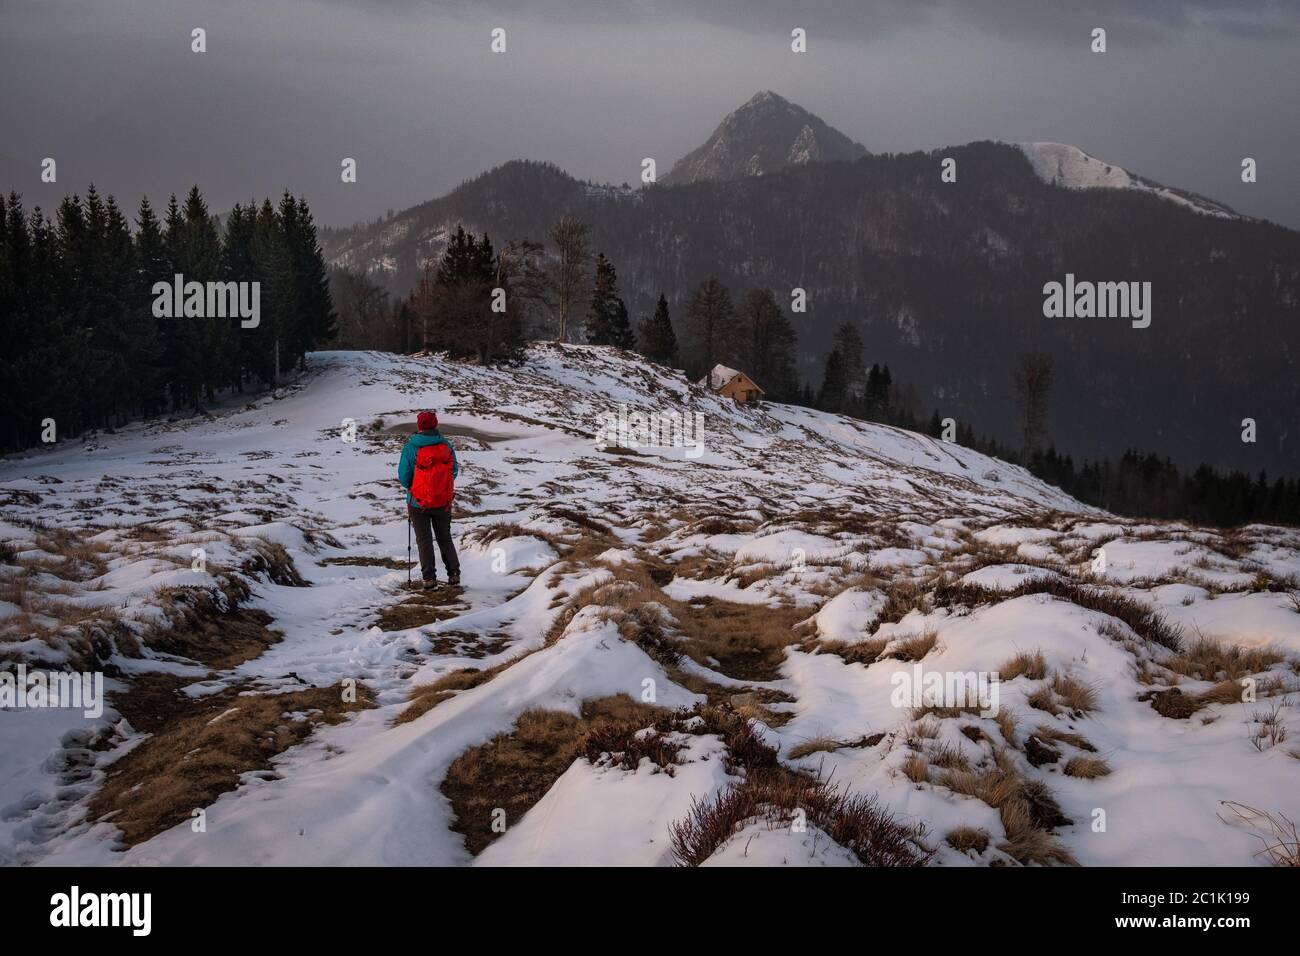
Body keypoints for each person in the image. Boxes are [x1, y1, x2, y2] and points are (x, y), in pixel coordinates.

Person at [398, 410, 461, 589]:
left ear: (419, 426)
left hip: (418, 502)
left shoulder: (411, 447)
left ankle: (429, 579)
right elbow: (453, 471)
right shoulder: (446, 445)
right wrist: (440, 487)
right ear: (435, 424)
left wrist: (419, 487)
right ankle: (454, 574)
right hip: (443, 500)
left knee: (424, 540)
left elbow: (404, 477)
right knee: (445, 537)